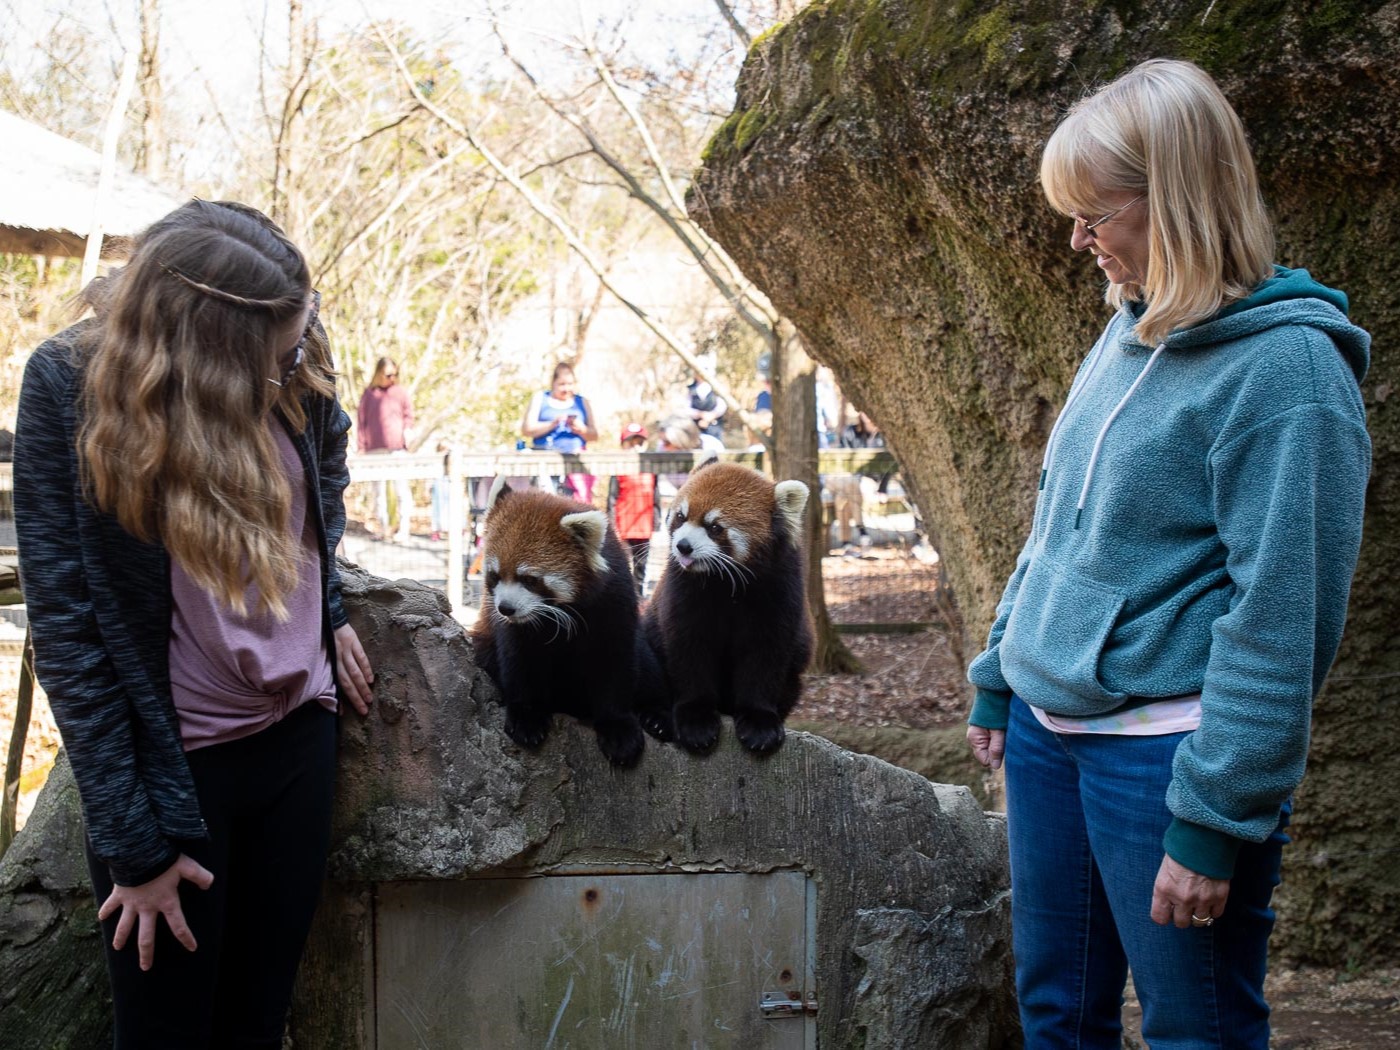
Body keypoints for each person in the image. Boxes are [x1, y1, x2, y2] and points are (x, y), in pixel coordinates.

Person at [964, 59, 1370, 1049]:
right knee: (1055, 1016)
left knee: (1196, 1031)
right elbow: (1056, 521)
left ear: (1175, 200)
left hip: (1164, 760)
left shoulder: (1290, 374)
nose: (1076, 240)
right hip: (1047, 737)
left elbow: (1279, 616)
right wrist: (999, 673)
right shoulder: (1123, 333)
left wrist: (1213, 818)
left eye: (1092, 214)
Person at [12, 199, 375, 1049]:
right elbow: (67, 633)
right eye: (274, 361)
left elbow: (323, 471)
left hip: (300, 741)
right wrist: (135, 848)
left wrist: (332, 609)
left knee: (257, 1024)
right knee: (167, 1036)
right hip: (179, 772)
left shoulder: (294, 349)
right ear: (208, 349)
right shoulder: (68, 387)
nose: (292, 372)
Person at [521, 361, 599, 503]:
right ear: (553, 383)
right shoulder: (540, 398)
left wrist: (581, 429)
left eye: (570, 384)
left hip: (576, 460)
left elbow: (594, 435)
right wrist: (552, 424)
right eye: (562, 384)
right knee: (547, 502)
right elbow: (527, 429)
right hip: (544, 460)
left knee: (579, 504)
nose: (566, 389)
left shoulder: (582, 402)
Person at [357, 356, 415, 541]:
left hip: (397, 449)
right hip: (374, 450)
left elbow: (409, 416)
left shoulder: (400, 392)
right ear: (379, 373)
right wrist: (361, 446)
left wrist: (407, 433)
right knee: (378, 492)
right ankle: (383, 528)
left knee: (401, 490)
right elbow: (361, 422)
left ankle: (403, 530)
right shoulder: (369, 394)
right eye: (388, 374)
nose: (392, 378)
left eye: (395, 374)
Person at [608, 422, 659, 597]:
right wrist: (612, 523)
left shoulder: (651, 468)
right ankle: (624, 594)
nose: (635, 447)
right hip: (624, 524)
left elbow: (655, 495)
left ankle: (639, 594)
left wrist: (656, 521)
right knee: (622, 561)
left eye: (639, 442)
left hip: (644, 524)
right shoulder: (619, 469)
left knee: (642, 562)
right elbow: (612, 497)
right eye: (630, 443)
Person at [683, 352, 727, 442]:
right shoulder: (691, 389)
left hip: (713, 428)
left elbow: (722, 405)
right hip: (695, 429)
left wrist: (710, 416)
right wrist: (700, 414)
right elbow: (686, 408)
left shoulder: (716, 388)